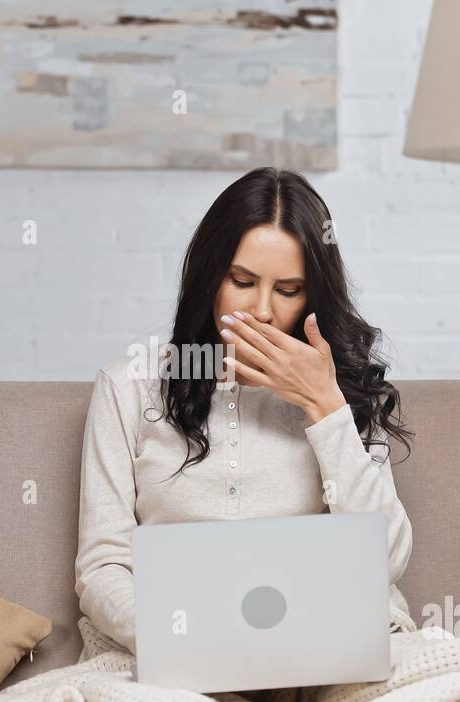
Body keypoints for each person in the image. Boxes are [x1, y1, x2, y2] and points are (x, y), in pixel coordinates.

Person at [74, 166, 415, 658]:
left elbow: (385, 562)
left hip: (326, 643)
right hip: (176, 643)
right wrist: (182, 638)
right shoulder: (129, 386)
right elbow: (103, 566)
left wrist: (324, 405)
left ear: (313, 295)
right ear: (210, 277)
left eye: (288, 290)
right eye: (242, 281)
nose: (261, 311)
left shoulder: (339, 389)